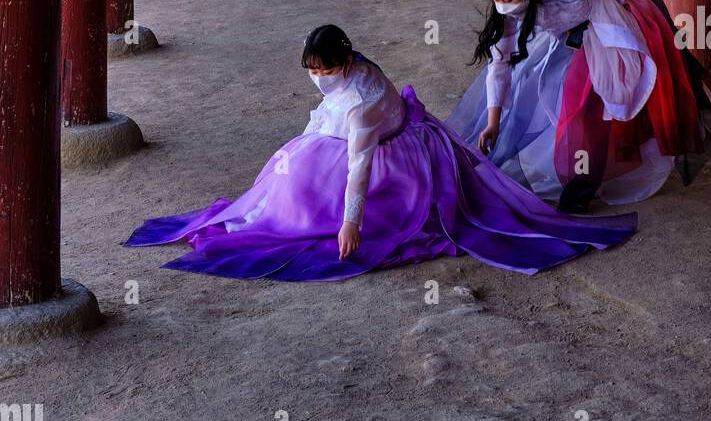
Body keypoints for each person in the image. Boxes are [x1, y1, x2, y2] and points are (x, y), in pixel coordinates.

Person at [125, 24, 635, 282]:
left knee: (301, 193)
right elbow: (323, 112)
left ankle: (279, 217)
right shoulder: (349, 70)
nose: (317, 77)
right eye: (311, 69)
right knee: (287, 169)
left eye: (324, 69)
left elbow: (358, 167)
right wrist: (303, 137)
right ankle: (264, 209)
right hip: (354, 136)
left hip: (394, 160)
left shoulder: (361, 104)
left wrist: (351, 223)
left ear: (344, 62)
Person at [447, 0, 711, 210]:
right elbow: (499, 64)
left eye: (507, 0)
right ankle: (584, 177)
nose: (503, 8)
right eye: (496, 1)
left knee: (592, 105)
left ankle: (582, 187)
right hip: (576, 34)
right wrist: (493, 121)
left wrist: (606, 27)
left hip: (610, 25)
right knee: (567, 98)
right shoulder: (511, 5)